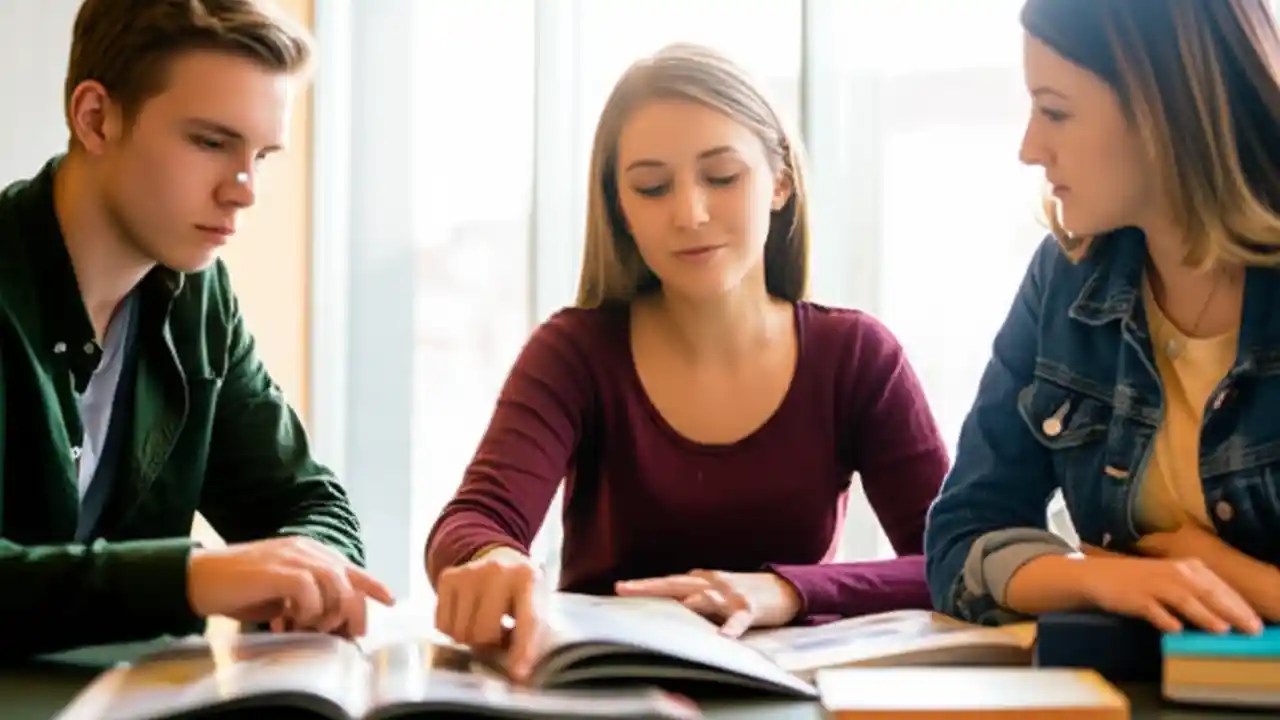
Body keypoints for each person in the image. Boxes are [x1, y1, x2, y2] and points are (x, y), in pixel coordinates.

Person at [426, 43, 949, 680]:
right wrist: (491, 558)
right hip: (603, 693)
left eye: (722, 177)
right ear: (620, 209)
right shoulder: (575, 353)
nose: (690, 214)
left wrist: (788, 590)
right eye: (651, 188)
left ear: (780, 182)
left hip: (786, 699)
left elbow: (959, 561)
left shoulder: (858, 358)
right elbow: (473, 520)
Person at [0, 0, 392, 659]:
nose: (245, 190)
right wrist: (193, 576)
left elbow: (305, 499)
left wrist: (310, 574)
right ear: (95, 118)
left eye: (262, 155)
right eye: (211, 142)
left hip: (136, 697)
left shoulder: (200, 299)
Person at [925, 0, 1280, 635]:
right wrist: (1100, 579)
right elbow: (962, 536)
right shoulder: (1066, 277)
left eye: (1056, 112)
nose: (1029, 149)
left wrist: (1224, 572)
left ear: (1167, 109)